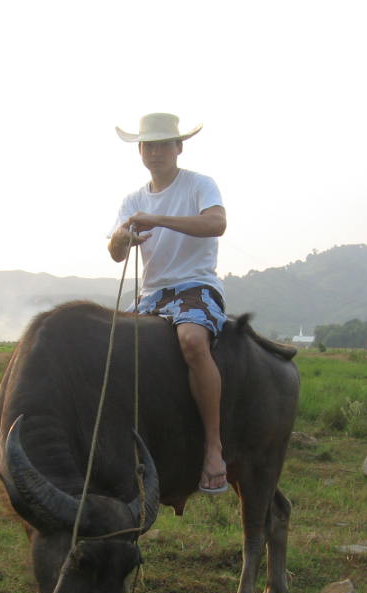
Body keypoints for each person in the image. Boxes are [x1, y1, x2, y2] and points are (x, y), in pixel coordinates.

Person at [108, 113, 229, 495]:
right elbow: (114, 251)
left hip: (195, 284)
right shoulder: (132, 199)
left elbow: (216, 224)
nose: (155, 152)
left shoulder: (199, 185)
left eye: (163, 144)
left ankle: (213, 446)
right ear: (140, 151)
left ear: (179, 147)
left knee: (192, 340)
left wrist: (158, 219)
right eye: (148, 145)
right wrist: (123, 237)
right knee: (112, 353)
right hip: (152, 293)